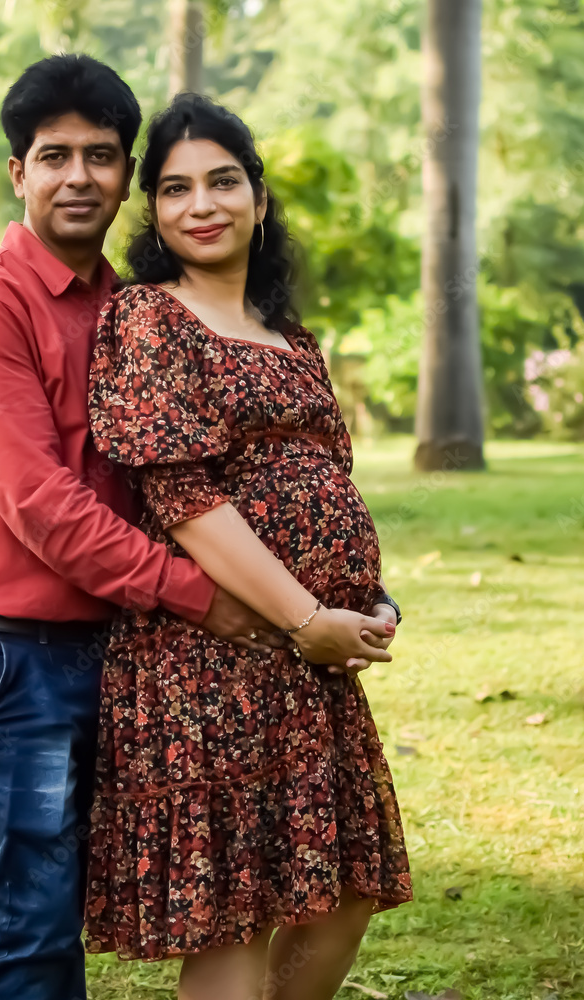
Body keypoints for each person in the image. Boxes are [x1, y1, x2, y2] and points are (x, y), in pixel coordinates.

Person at [0, 55, 392, 1000]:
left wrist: (344, 589)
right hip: (17, 652)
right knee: (42, 918)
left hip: (132, 638)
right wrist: (212, 600)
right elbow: (45, 505)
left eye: (101, 156)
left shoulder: (121, 301)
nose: (79, 176)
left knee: (276, 882)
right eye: (55, 157)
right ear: (20, 173)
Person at [84, 93, 414, 1000]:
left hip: (314, 662)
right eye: (178, 187)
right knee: (235, 906)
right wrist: (306, 615)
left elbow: (330, 483)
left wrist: (371, 601)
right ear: (154, 211)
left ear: (259, 199)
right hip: (212, 655)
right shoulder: (148, 319)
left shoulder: (288, 335)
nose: (204, 204)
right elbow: (186, 501)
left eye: (224, 181)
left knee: (341, 892)